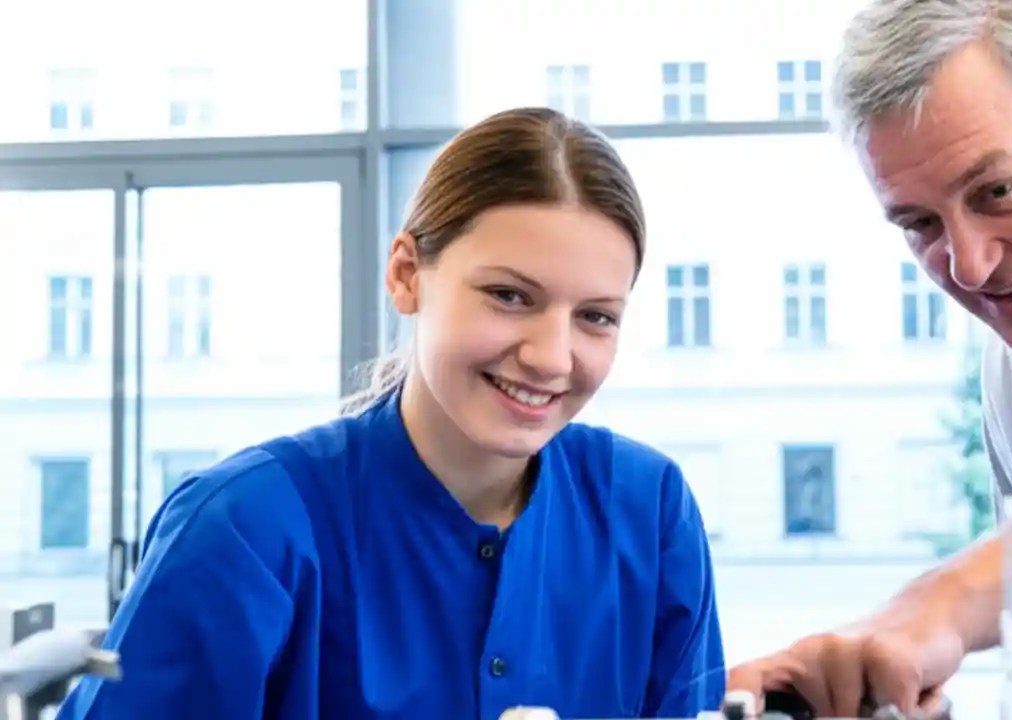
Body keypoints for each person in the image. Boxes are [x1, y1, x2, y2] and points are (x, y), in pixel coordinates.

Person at [58, 107, 725, 720]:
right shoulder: (246, 528)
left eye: (595, 317)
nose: (553, 358)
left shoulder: (649, 512)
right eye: (510, 296)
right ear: (407, 274)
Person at [726, 0, 1012, 716]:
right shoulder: (1010, 368)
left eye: (999, 191)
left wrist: (937, 605)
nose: (969, 264)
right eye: (919, 224)